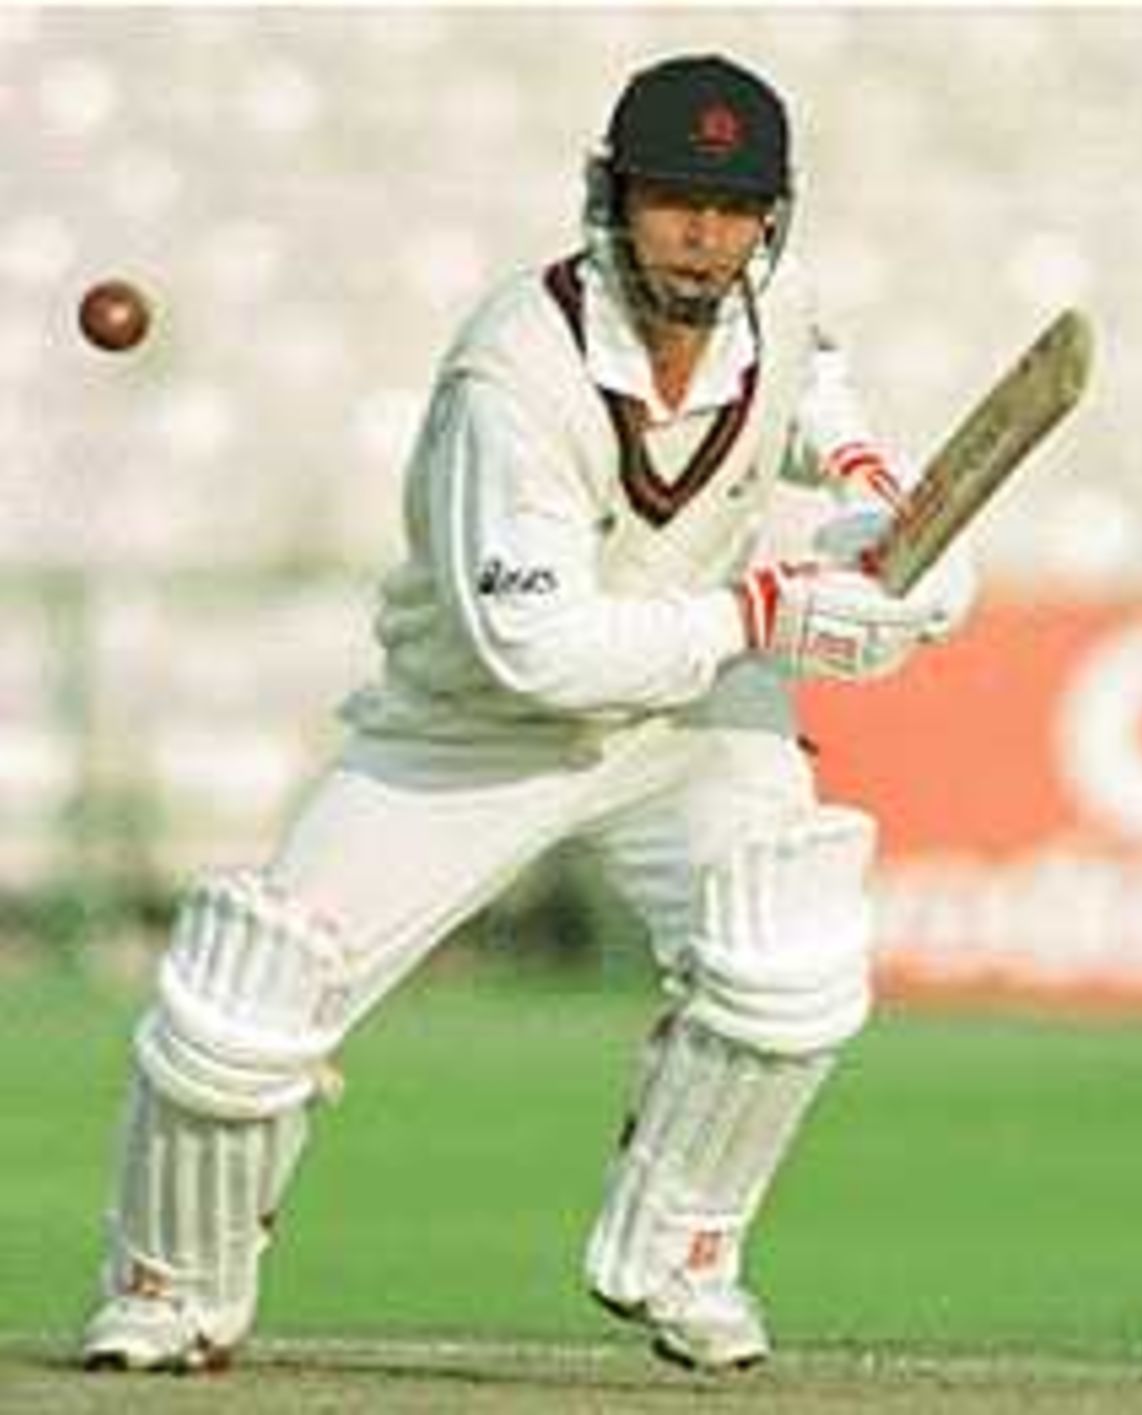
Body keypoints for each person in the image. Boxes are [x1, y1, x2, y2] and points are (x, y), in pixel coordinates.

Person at [81, 52, 974, 1375]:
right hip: (472, 727)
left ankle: (683, 1252)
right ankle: (170, 1291)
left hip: (686, 723)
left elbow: (840, 438)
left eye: (734, 212)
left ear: (772, 221)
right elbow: (540, 656)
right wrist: (768, 614)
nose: (704, 238)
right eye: (676, 202)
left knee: (793, 944)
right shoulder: (516, 373)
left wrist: (904, 550)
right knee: (242, 1006)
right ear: (611, 198)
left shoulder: (775, 324)